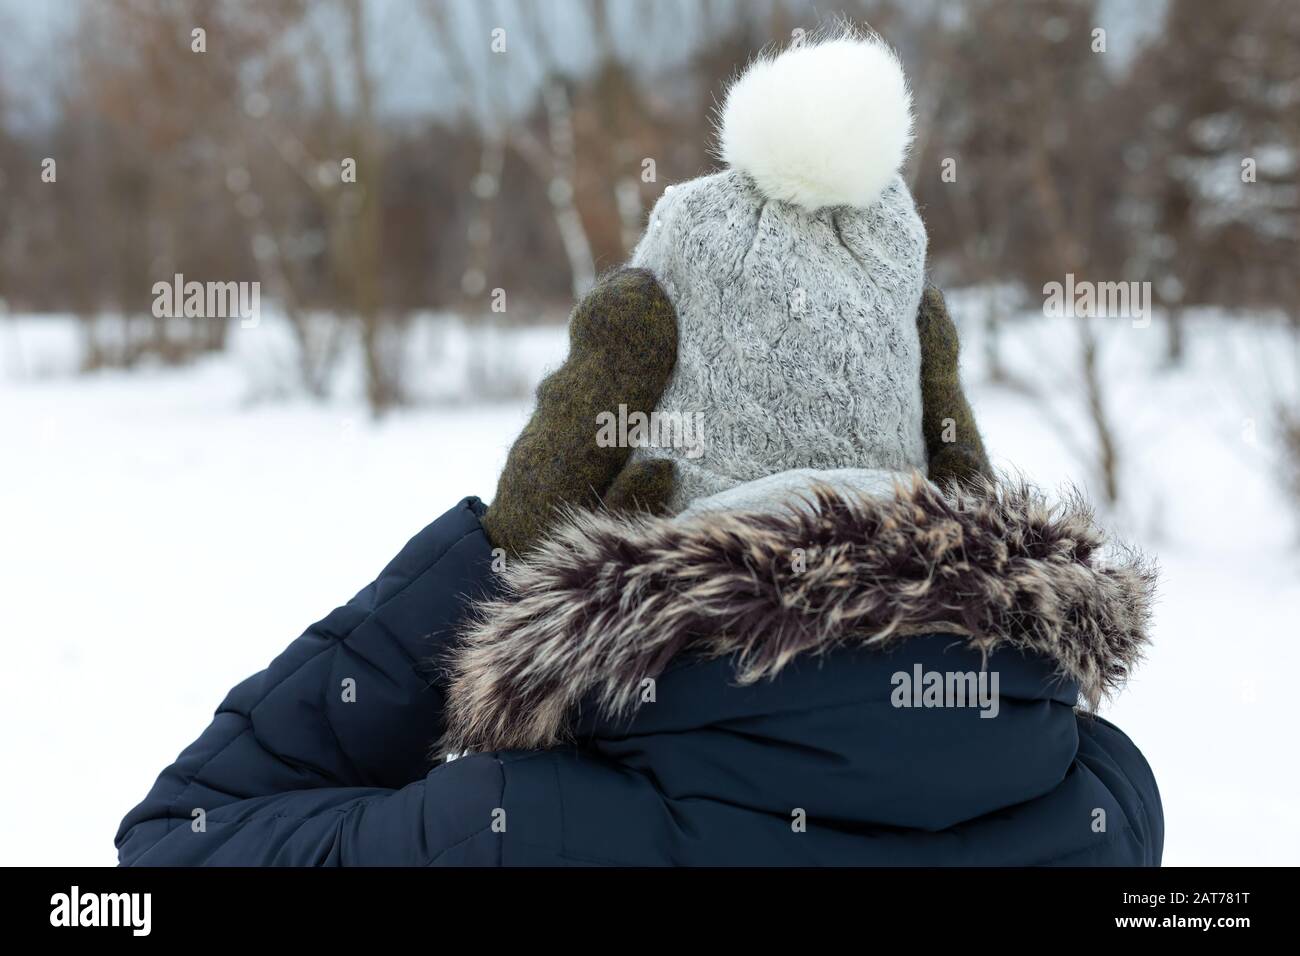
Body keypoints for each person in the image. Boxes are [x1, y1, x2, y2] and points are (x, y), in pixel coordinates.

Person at [117, 31, 1162, 866]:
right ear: (934, 463)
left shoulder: (518, 825)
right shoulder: (1100, 807)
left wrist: (503, 551)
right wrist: (988, 586)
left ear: (627, 475)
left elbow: (179, 837)